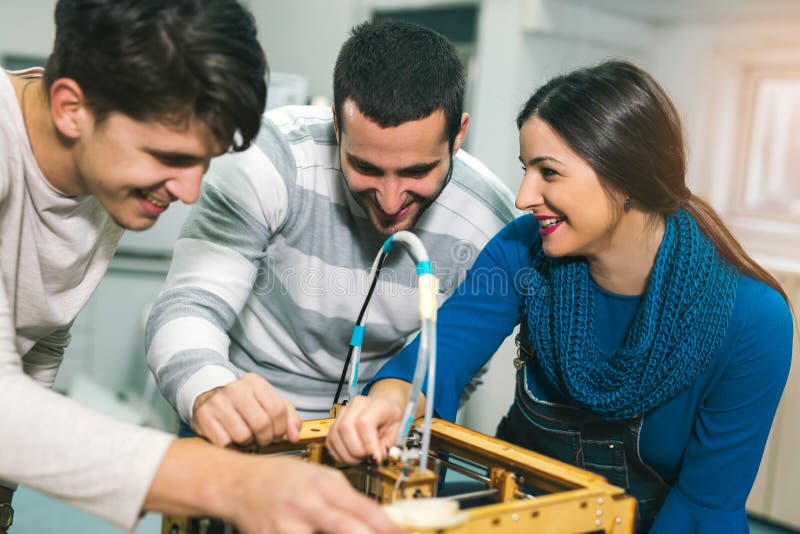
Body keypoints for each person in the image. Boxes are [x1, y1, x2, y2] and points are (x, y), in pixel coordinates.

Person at [325, 60, 794, 533]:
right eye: (526, 170)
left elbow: (703, 507)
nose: (523, 197)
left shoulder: (753, 320)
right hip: (515, 515)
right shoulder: (520, 249)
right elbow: (441, 355)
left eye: (548, 172)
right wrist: (391, 402)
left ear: (626, 175)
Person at [0, 1, 402, 533]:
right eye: (171, 158)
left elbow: (39, 334)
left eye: (203, 160)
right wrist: (231, 483)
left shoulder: (103, 163)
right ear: (70, 108)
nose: (190, 191)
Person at [145, 20, 518, 448]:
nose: (391, 200)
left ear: (458, 136)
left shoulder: (491, 220)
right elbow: (188, 303)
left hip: (374, 436)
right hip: (243, 416)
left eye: (417, 171)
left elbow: (459, 360)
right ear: (337, 127)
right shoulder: (265, 160)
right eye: (366, 168)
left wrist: (395, 419)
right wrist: (210, 390)